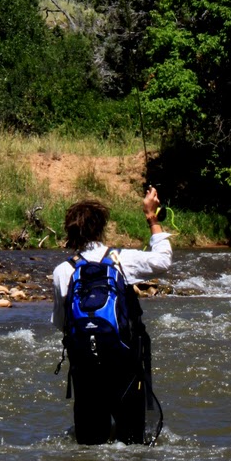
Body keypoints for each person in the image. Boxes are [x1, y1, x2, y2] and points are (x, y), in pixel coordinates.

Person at [52, 186, 171, 445]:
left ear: (70, 233)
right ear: (101, 228)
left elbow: (61, 324)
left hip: (85, 371)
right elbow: (163, 261)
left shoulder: (63, 270)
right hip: (124, 367)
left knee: (89, 448)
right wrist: (151, 217)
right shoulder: (121, 260)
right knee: (132, 446)